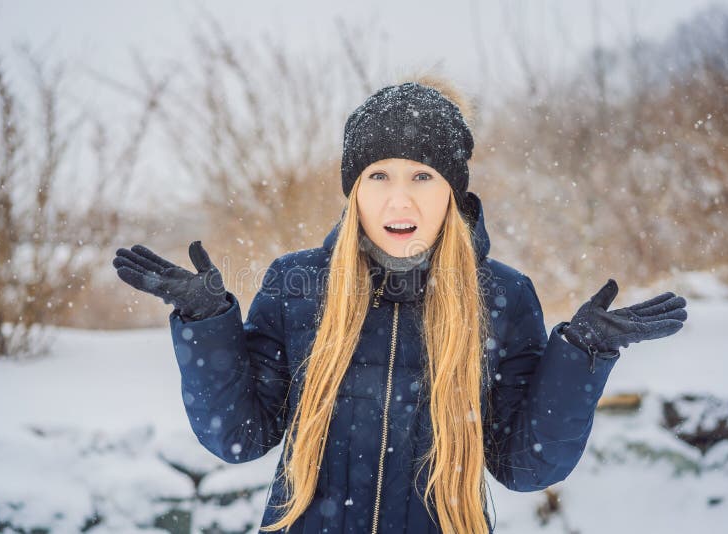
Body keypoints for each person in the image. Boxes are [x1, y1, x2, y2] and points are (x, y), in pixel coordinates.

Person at [113, 78, 688, 534]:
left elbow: (526, 465)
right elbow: (238, 437)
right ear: (354, 188)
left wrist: (582, 356)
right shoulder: (297, 284)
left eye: (422, 175)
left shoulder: (503, 296)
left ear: (453, 192)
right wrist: (205, 324)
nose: (399, 198)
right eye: (378, 174)